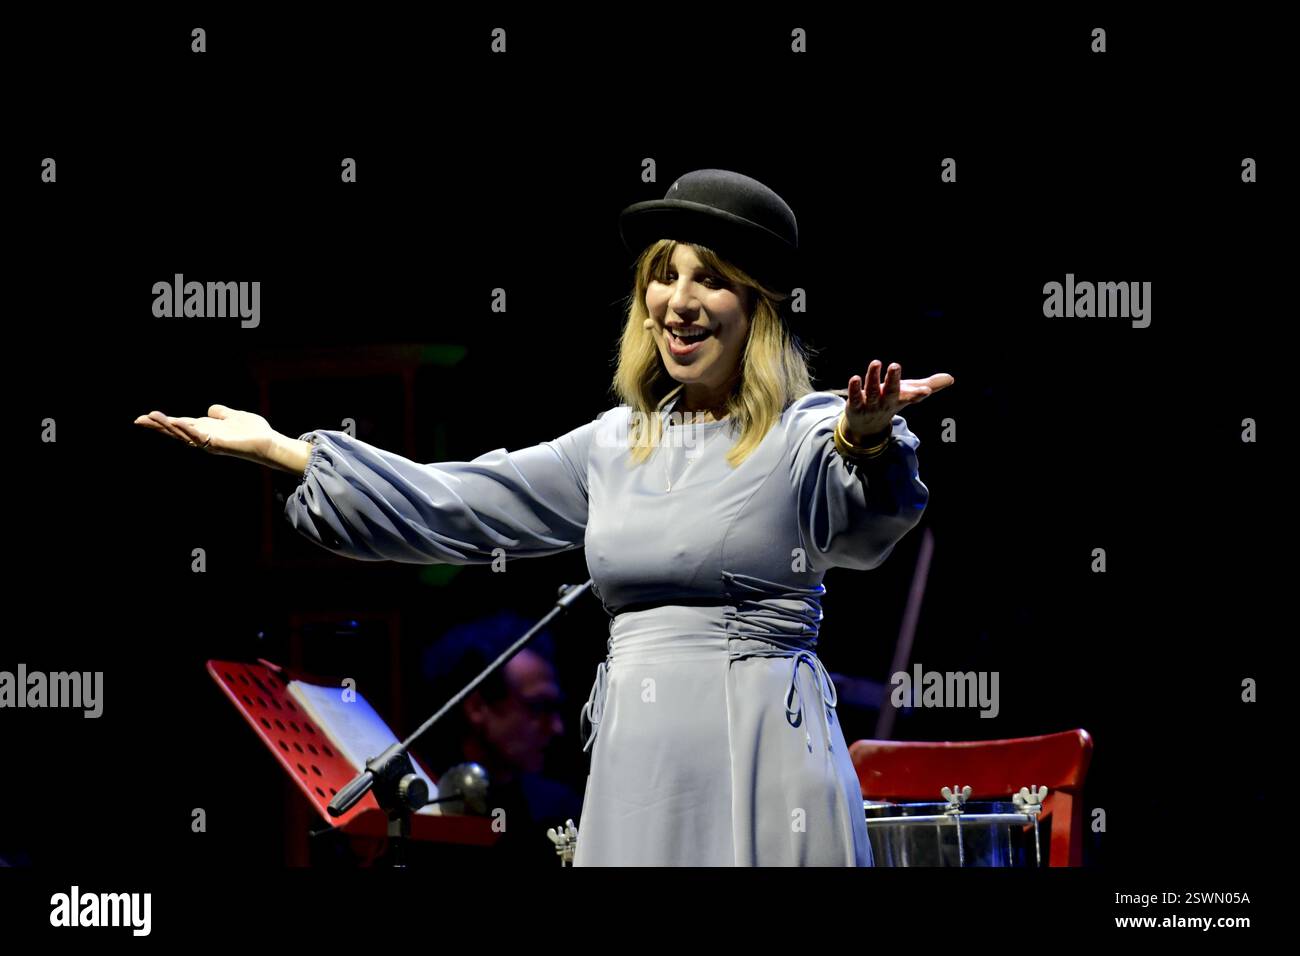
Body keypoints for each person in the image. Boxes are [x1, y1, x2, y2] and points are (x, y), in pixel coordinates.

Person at [134, 168, 955, 865]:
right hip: (640, 757)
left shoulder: (806, 428)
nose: (678, 301)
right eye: (663, 277)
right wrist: (283, 450)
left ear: (759, 306)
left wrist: (871, 439)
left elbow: (867, 520)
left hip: (767, 757)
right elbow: (453, 502)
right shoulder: (612, 447)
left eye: (709, 278)